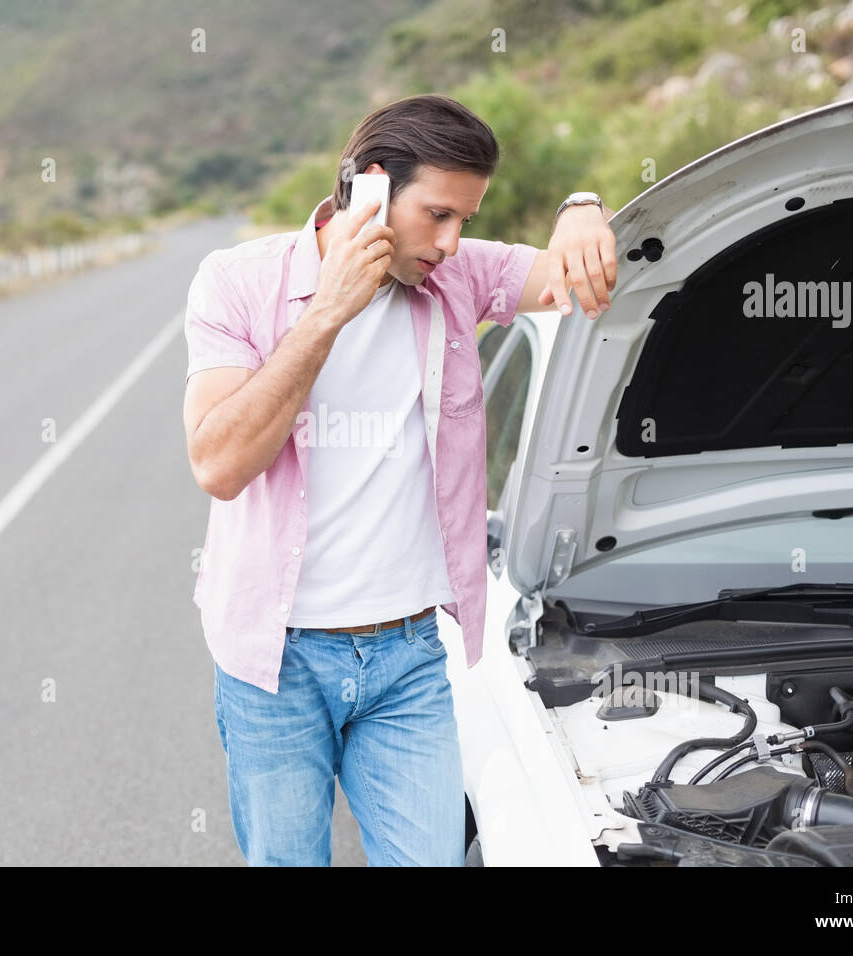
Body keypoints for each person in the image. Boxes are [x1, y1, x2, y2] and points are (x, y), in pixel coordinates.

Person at [182, 93, 616, 866]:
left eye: (467, 220)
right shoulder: (237, 282)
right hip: (273, 660)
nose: (453, 243)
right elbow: (218, 463)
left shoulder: (457, 276)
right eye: (439, 215)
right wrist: (327, 314)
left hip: (407, 656)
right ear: (372, 186)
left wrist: (583, 208)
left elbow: (577, 275)